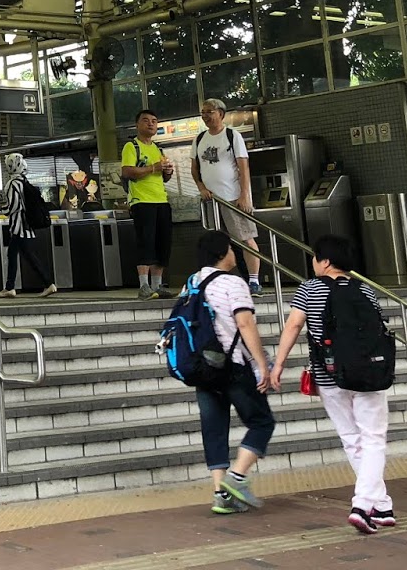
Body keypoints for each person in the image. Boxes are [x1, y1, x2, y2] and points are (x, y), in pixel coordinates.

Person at [269, 235, 393, 534]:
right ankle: (382, 504)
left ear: (324, 261)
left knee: (352, 438)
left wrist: (279, 363)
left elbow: (294, 325)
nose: (314, 262)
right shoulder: (365, 289)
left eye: (315, 257)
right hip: (369, 373)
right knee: (373, 438)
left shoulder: (309, 289)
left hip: (329, 374)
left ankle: (363, 505)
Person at [186, 229, 275, 515]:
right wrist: (261, 363)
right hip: (233, 364)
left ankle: (219, 494)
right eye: (231, 249)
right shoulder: (233, 283)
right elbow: (245, 324)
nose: (234, 255)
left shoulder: (192, 282)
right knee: (262, 422)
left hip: (203, 367)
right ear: (223, 253)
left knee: (214, 429)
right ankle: (236, 478)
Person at [191, 98, 262, 295]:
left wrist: (244, 194)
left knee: (245, 237)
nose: (205, 116)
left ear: (221, 114)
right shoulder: (199, 139)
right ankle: (221, 281)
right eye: (203, 112)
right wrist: (201, 187)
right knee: (218, 242)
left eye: (210, 112)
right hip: (211, 201)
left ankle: (254, 281)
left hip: (232, 197)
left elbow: (243, 166)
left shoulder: (232, 136)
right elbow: (194, 168)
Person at [123, 109, 174, 300]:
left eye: (154, 121)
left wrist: (167, 171)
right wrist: (153, 168)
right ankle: (143, 285)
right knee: (146, 243)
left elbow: (164, 177)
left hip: (161, 200)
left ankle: (157, 285)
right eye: (146, 121)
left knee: (162, 244)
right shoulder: (131, 146)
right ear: (137, 125)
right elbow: (127, 171)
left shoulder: (158, 149)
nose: (151, 124)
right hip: (142, 201)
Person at [0, 153, 56, 299]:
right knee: (23, 255)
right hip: (27, 226)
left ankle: (13, 287)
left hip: (18, 227)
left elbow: (14, 206)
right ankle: (44, 284)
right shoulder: (24, 181)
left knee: (18, 255)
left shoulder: (12, 184)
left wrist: (2, 210)